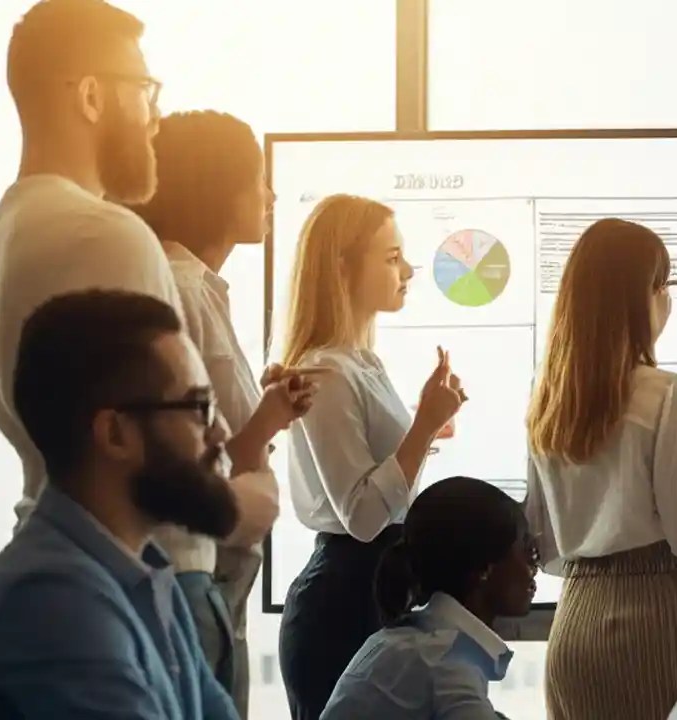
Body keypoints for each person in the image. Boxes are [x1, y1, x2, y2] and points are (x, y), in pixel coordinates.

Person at [524, 218, 677, 719]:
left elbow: (544, 541)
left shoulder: (550, 400)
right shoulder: (665, 394)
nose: (668, 300)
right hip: (654, 621)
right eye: (665, 285)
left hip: (574, 622)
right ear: (641, 296)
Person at [124, 110, 320, 715]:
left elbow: (220, 430)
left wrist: (265, 412)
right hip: (193, 570)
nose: (271, 195)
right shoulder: (179, 287)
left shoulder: (199, 287)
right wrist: (263, 421)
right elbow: (190, 447)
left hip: (216, 574)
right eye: (258, 178)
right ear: (218, 186)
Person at [0, 290, 240, 720]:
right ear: (116, 434)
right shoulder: (51, 601)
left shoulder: (145, 571)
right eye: (200, 407)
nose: (220, 434)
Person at [278, 194, 467, 720]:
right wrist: (422, 425)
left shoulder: (362, 364)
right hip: (344, 600)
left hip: (375, 587)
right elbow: (362, 517)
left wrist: (424, 433)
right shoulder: (328, 372)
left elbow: (386, 498)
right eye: (391, 258)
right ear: (343, 267)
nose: (408, 270)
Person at [0, 0, 178, 525]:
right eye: (144, 91)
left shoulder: (2, 231)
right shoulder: (105, 234)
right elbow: (165, 448)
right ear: (92, 96)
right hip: (124, 573)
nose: (156, 117)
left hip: (46, 550)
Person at [321, 476, 538, 719]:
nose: (534, 566)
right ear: (484, 567)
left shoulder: (418, 639)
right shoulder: (446, 662)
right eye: (527, 549)